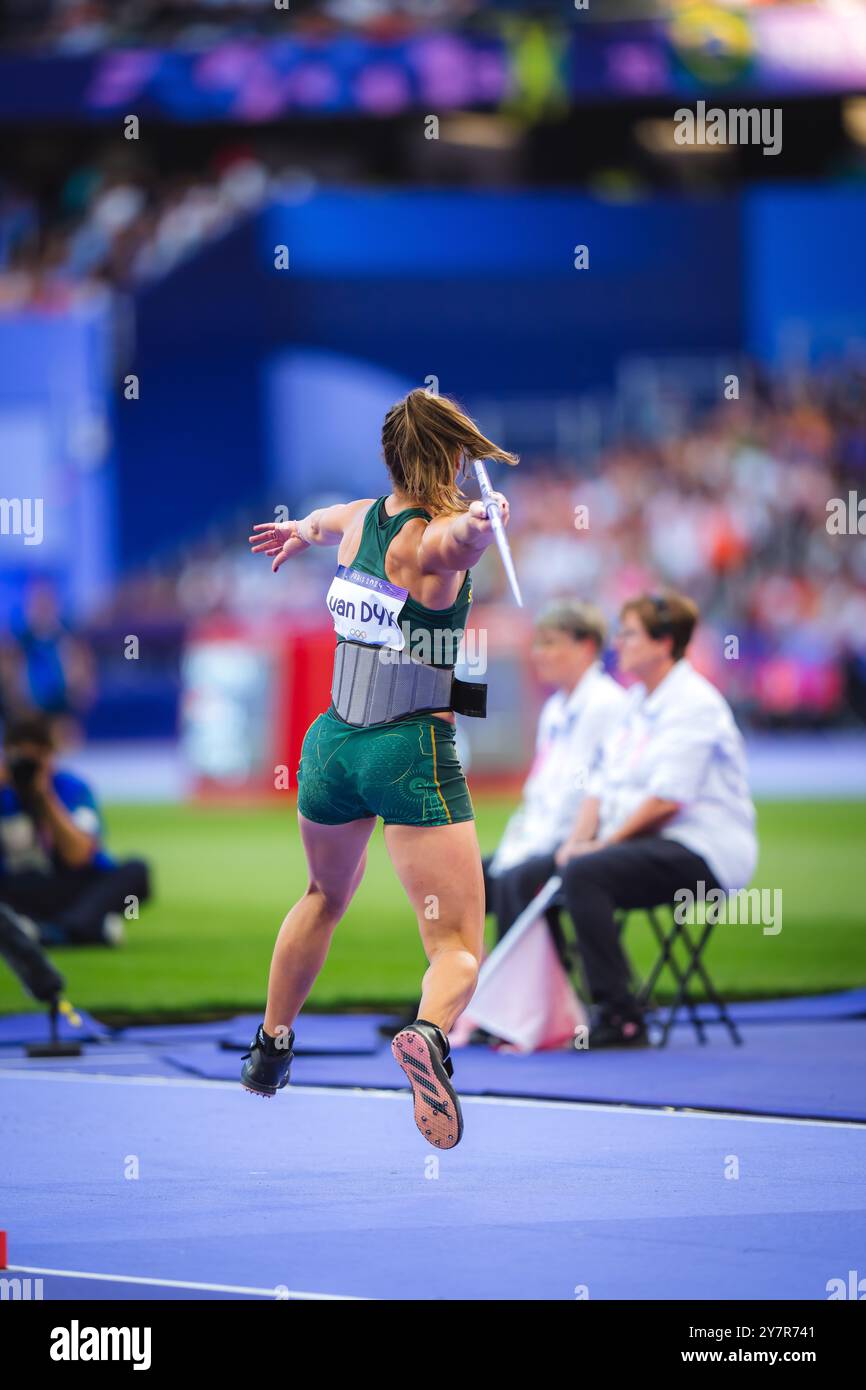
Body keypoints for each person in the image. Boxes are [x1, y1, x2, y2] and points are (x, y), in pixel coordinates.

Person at [240, 388, 518, 1149]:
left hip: (331, 747)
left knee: (324, 895)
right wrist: (482, 526)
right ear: (455, 457)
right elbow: (451, 546)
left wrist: (299, 530)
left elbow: (326, 520)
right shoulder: (433, 541)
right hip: (407, 751)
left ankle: (271, 1045)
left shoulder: (362, 516)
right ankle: (428, 1036)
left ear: (389, 458)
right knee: (457, 946)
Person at [510, 593, 758, 1048]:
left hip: (702, 849)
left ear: (664, 643)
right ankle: (541, 1010)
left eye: (628, 634)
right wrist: (578, 839)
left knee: (586, 872)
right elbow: (599, 786)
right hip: (644, 842)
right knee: (528, 874)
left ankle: (622, 1015)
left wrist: (599, 847)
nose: (617, 643)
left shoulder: (694, 704)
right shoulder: (636, 704)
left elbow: (667, 801)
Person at [483, 599, 627, 947]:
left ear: (586, 646)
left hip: (578, 844)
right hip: (539, 839)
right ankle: (455, 992)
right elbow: (542, 790)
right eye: (537, 643)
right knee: (457, 881)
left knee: (518, 879)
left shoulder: (609, 705)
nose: (537, 653)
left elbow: (604, 791)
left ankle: (520, 994)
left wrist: (563, 845)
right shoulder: (555, 710)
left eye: (549, 643)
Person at [0, 711, 150, 946]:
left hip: (77, 884)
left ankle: (52, 930)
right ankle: (88, 929)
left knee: (136, 882)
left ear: (50, 756)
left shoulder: (71, 789)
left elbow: (79, 856)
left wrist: (45, 799)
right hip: (23, 887)